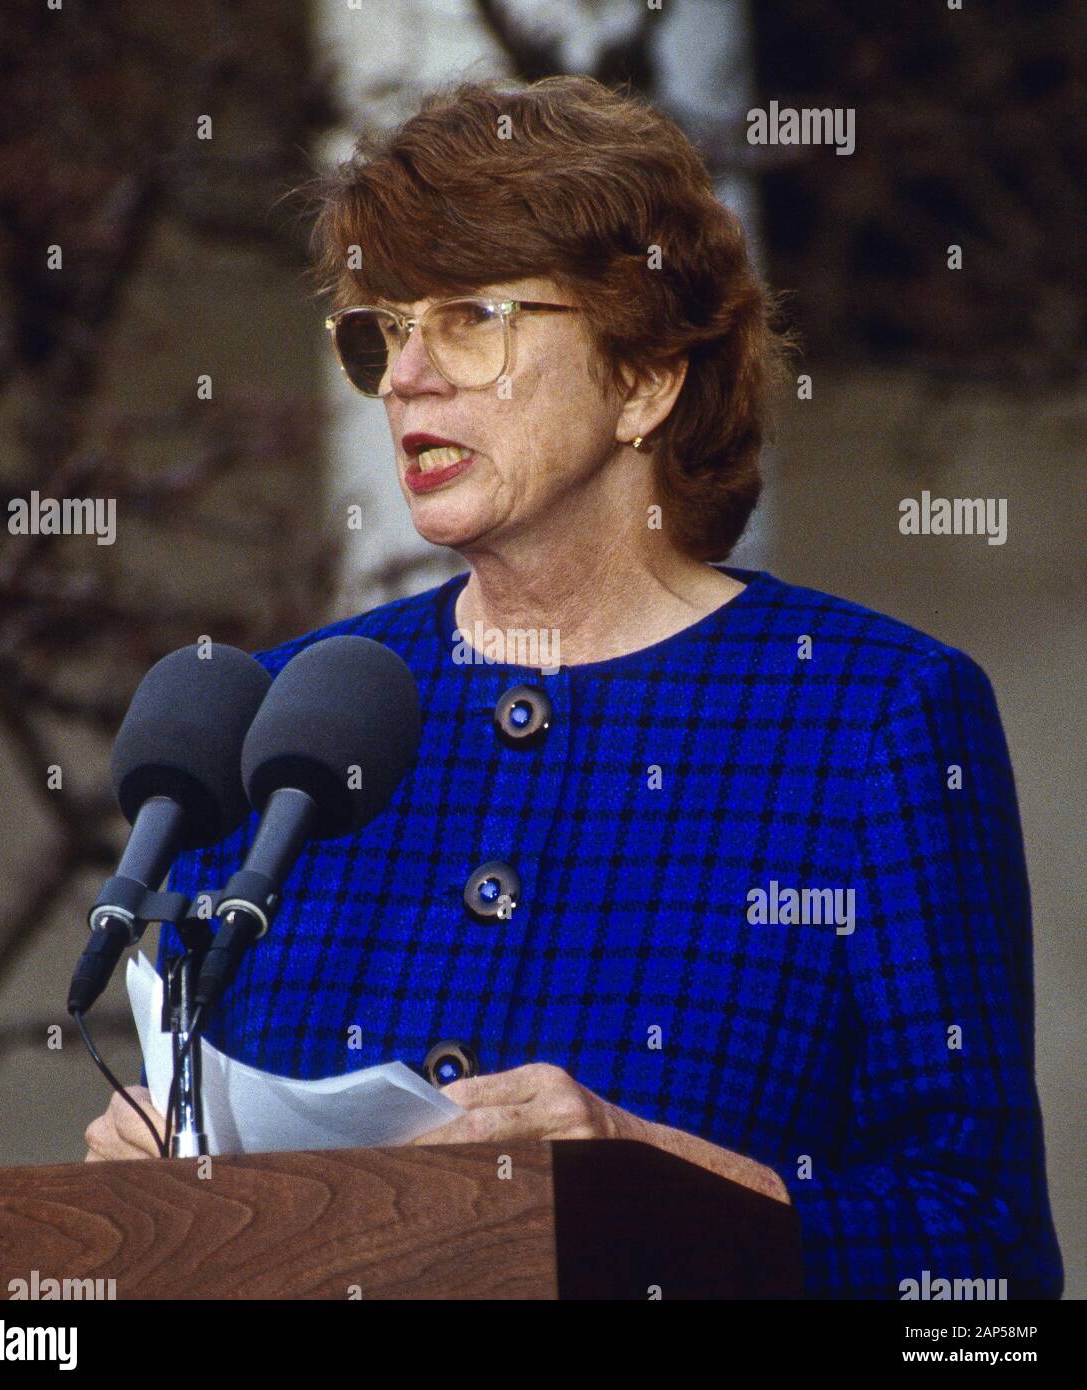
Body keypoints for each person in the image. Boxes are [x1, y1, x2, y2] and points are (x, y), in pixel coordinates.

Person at [85, 75, 1063, 1300]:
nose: (404, 377)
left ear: (647, 377)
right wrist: (144, 1180)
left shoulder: (874, 715)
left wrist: (651, 1175)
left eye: (471, 318)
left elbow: (984, 1254)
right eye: (383, 329)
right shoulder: (281, 719)